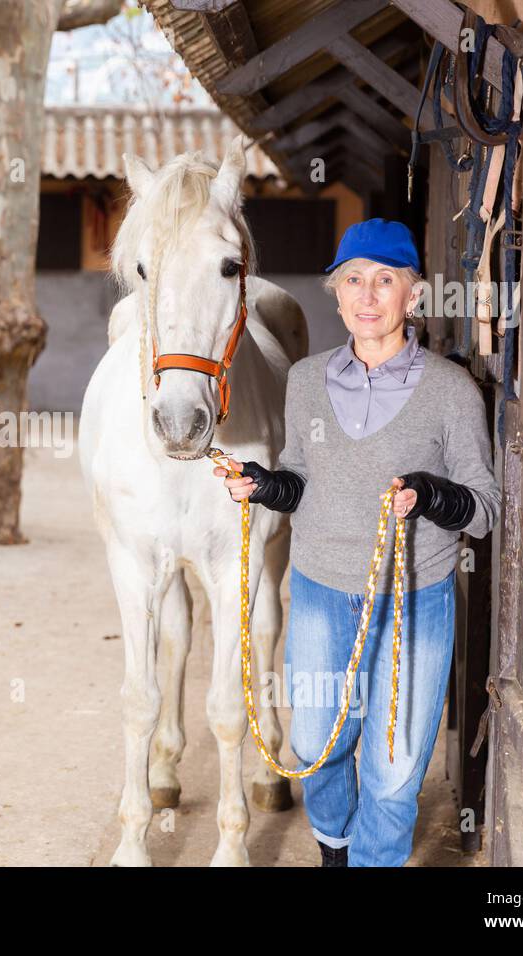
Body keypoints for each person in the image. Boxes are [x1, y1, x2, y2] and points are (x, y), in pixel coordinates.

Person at [213, 218, 501, 867]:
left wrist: (432, 495)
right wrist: (264, 484)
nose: (367, 296)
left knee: (394, 769)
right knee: (317, 746)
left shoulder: (452, 392)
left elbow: (482, 509)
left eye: (384, 280)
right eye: (353, 281)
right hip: (318, 591)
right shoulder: (307, 380)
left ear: (414, 296)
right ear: (336, 294)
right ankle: (335, 853)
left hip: (414, 599)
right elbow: (303, 478)